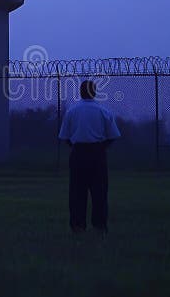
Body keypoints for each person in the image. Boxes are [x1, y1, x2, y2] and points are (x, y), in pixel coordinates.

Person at [58, 80, 121, 234]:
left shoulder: (72, 111)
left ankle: (78, 225)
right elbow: (113, 135)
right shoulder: (103, 111)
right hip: (97, 153)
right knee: (99, 192)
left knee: (77, 192)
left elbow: (65, 136)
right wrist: (101, 147)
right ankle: (99, 225)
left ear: (80, 92)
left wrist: (75, 146)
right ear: (95, 92)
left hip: (78, 152)